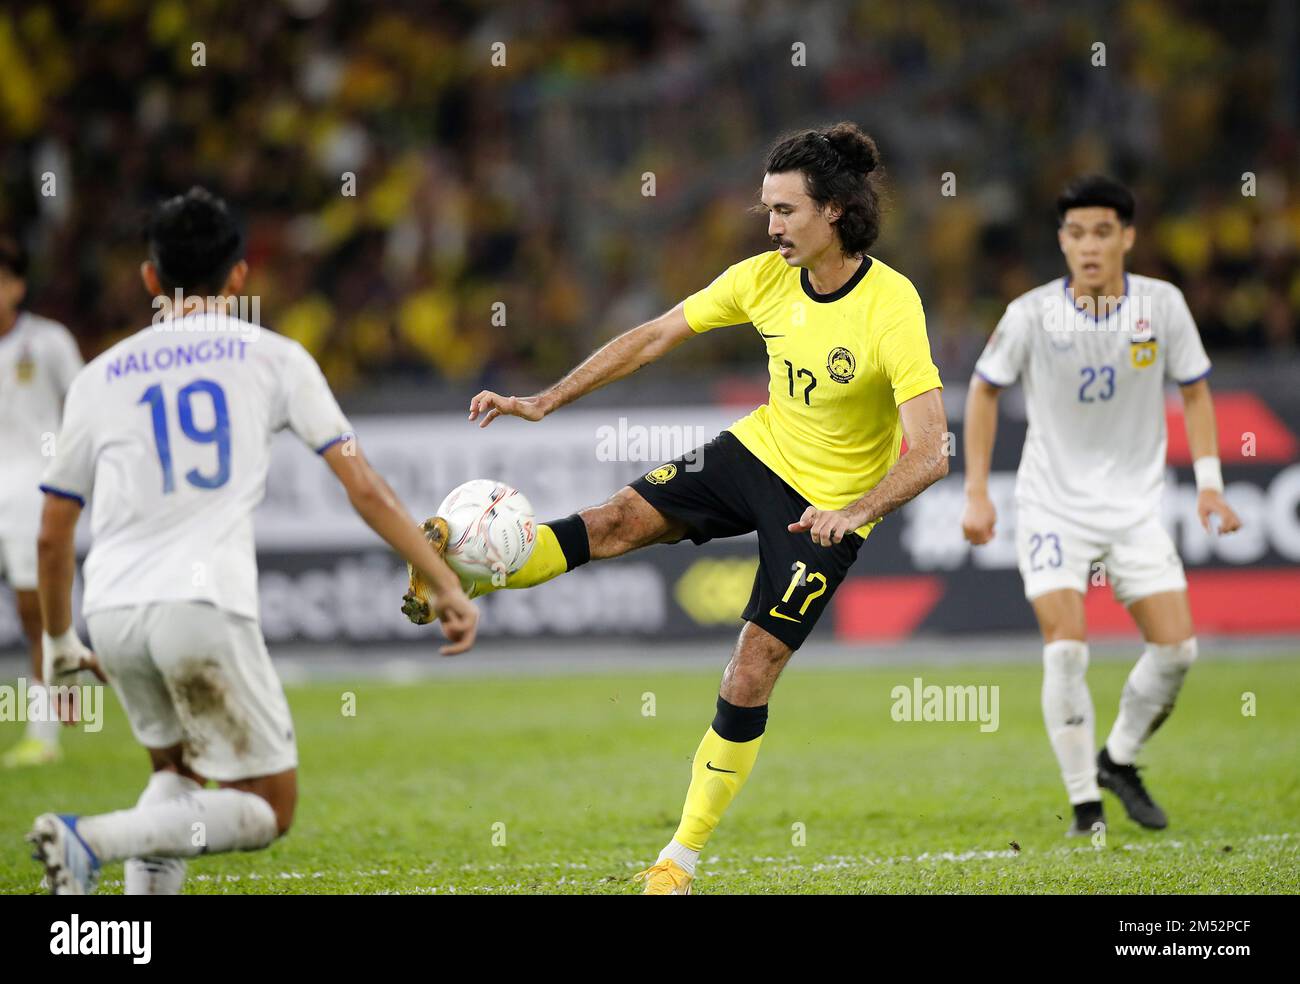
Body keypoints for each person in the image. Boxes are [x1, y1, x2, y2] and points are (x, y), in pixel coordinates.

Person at [405, 124, 948, 894]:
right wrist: (546, 399)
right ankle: (463, 576)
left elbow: (931, 451)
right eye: (767, 209)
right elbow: (655, 336)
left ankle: (678, 860)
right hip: (755, 452)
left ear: (834, 212)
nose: (771, 227)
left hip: (827, 508)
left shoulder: (892, 305)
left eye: (787, 211)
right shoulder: (763, 278)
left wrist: (855, 512)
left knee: (751, 669)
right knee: (613, 520)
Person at [28, 187, 477, 895]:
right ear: (240, 276)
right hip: (202, 602)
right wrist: (444, 582)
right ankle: (90, 839)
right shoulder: (274, 358)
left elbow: (53, 535)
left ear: (151, 279)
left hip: (110, 612)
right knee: (270, 804)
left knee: (176, 774)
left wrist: (56, 642)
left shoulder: (98, 376)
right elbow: (362, 486)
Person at [961, 175, 1241, 836]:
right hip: (1051, 505)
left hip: (1136, 508)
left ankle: (1119, 758)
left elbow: (1196, 392)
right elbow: (982, 390)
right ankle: (1085, 804)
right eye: (1077, 233)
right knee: (1065, 651)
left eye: (1103, 232)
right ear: (1062, 241)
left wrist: (1209, 482)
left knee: (1178, 653)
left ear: (1128, 237)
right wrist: (976, 489)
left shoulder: (1163, 306)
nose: (1089, 246)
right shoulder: (1030, 314)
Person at [0, 236, 83, 768]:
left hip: (31, 496)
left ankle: (43, 733)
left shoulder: (48, 342)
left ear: (17, 285)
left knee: (37, 614)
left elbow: (85, 407)